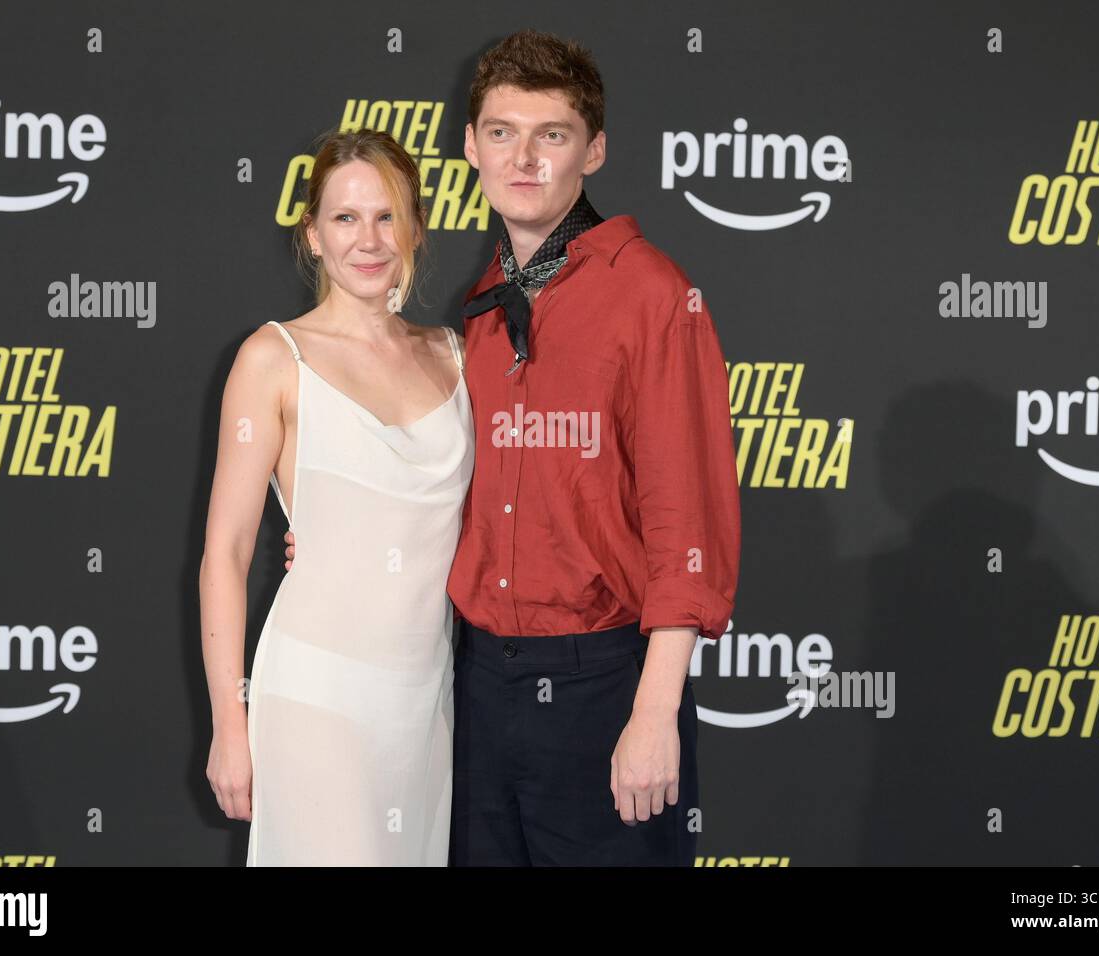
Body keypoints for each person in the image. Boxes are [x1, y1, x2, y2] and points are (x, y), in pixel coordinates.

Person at [285, 29, 740, 866]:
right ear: (470, 147)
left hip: (605, 685)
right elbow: (449, 490)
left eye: (552, 135)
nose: (523, 158)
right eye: (502, 133)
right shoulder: (481, 313)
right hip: (474, 690)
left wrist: (654, 713)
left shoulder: (653, 295)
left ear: (593, 151)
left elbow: (689, 522)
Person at [199, 129, 474, 865]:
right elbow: (225, 554)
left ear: (416, 225)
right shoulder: (271, 358)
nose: (369, 240)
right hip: (317, 694)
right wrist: (231, 722)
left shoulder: (456, 354)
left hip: (428, 704)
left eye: (387, 216)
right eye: (346, 218)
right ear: (312, 236)